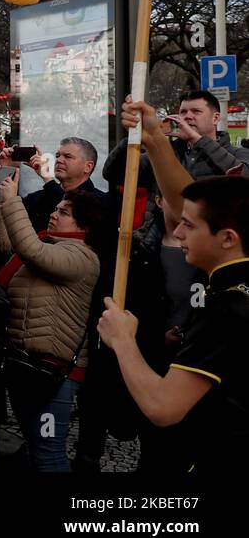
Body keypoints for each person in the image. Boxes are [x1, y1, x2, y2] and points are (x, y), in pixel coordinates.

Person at [97, 96, 249, 471]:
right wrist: (156, 140)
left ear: (228, 238)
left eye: (190, 227)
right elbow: (187, 206)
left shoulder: (228, 307)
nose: (178, 231)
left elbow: (164, 407)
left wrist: (123, 341)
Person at [0, 168, 105, 471]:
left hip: (55, 374)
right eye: (55, 208)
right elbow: (4, 244)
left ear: (83, 224)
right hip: (26, 364)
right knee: (36, 445)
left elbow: (29, 250)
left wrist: (14, 202)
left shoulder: (82, 257)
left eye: (63, 212)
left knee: (48, 452)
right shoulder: (48, 243)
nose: (54, 214)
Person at [104, 88, 249, 183]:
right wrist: (136, 135)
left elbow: (244, 175)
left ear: (215, 118)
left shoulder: (237, 153)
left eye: (196, 111)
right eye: (183, 112)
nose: (188, 117)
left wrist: (198, 140)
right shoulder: (166, 154)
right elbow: (113, 174)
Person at [14, 137, 105, 232]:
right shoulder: (38, 197)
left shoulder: (100, 202)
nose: (59, 160)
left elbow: (68, 203)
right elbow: (6, 214)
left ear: (88, 167)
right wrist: (6, 169)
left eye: (68, 156)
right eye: (57, 156)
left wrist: (47, 177)